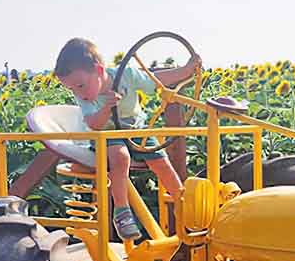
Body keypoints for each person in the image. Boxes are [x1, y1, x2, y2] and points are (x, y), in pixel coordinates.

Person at [54, 38, 199, 241]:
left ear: (98, 70)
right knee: (120, 157)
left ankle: (183, 203)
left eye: (80, 85)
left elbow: (154, 80)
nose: (79, 93)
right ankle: (122, 213)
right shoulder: (86, 97)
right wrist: (106, 108)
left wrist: (185, 71)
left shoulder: (126, 76)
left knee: (161, 162)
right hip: (107, 134)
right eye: (73, 90)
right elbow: (94, 124)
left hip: (136, 130)